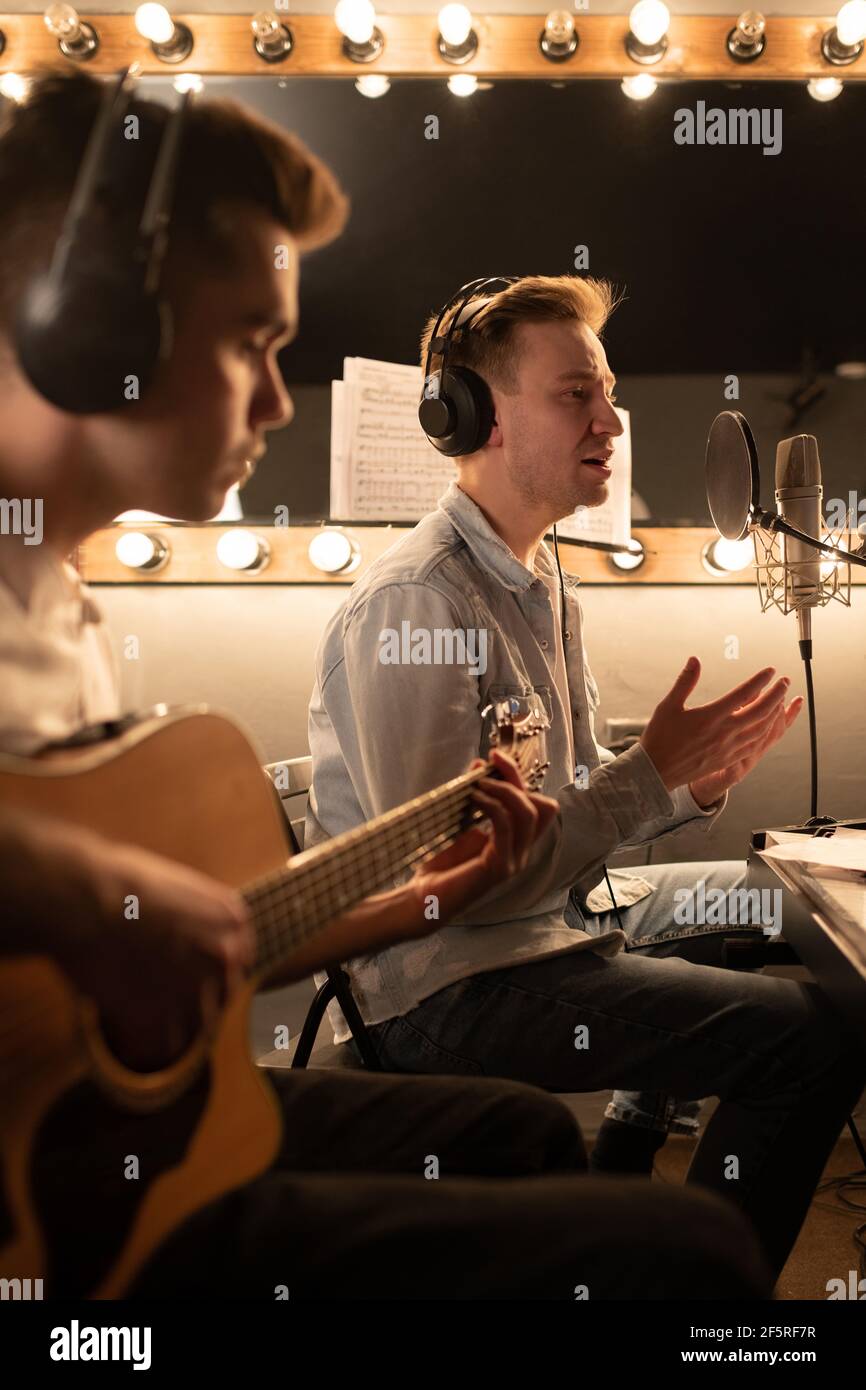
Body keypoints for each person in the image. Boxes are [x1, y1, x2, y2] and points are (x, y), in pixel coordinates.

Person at [0, 72, 772, 1300]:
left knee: (541, 1123)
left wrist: (435, 888)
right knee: (699, 1249)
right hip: (57, 1198)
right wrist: (84, 888)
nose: (271, 397)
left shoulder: (62, 606)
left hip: (139, 1117)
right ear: (88, 323)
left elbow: (230, 953)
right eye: (252, 342)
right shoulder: (407, 599)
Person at [304, 272, 866, 1283]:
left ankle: (618, 1162)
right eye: (576, 395)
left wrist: (681, 785)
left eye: (606, 394)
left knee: (787, 906)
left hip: (546, 918)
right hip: (454, 984)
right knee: (814, 1041)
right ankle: (707, 1308)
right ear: (470, 414)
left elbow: (563, 800)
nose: (610, 419)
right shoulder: (414, 606)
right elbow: (450, 886)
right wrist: (643, 780)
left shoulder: (536, 580)